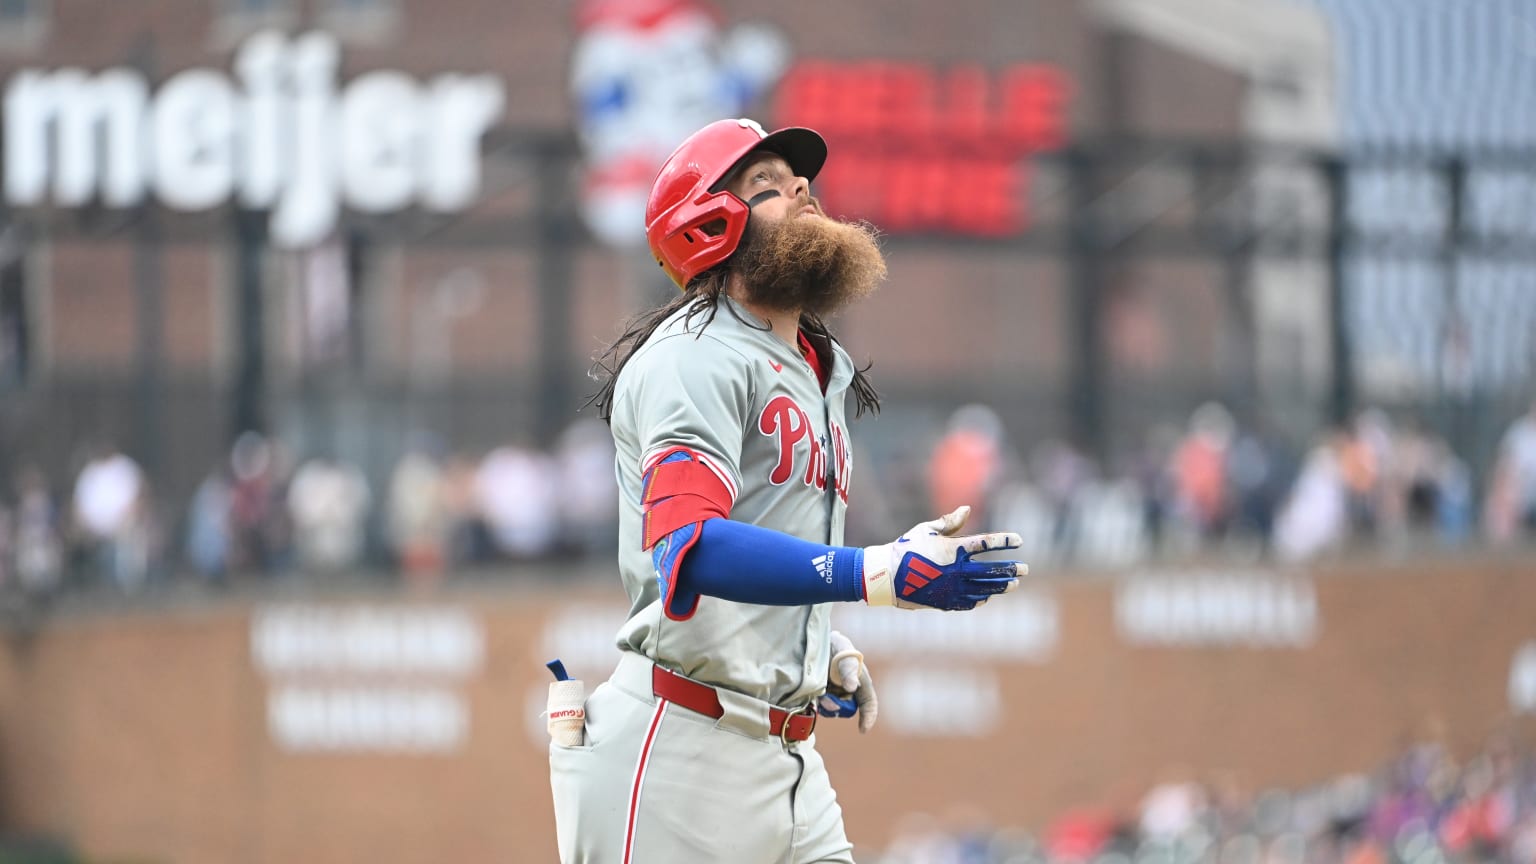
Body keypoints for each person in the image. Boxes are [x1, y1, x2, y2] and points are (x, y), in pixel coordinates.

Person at [552, 118, 1028, 863]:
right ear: (712, 224)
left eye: (800, 178)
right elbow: (690, 546)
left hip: (787, 757)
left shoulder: (814, 364)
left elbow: (763, 530)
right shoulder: (696, 352)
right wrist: (873, 573)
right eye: (767, 184)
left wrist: (807, 648)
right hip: (680, 751)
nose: (803, 188)